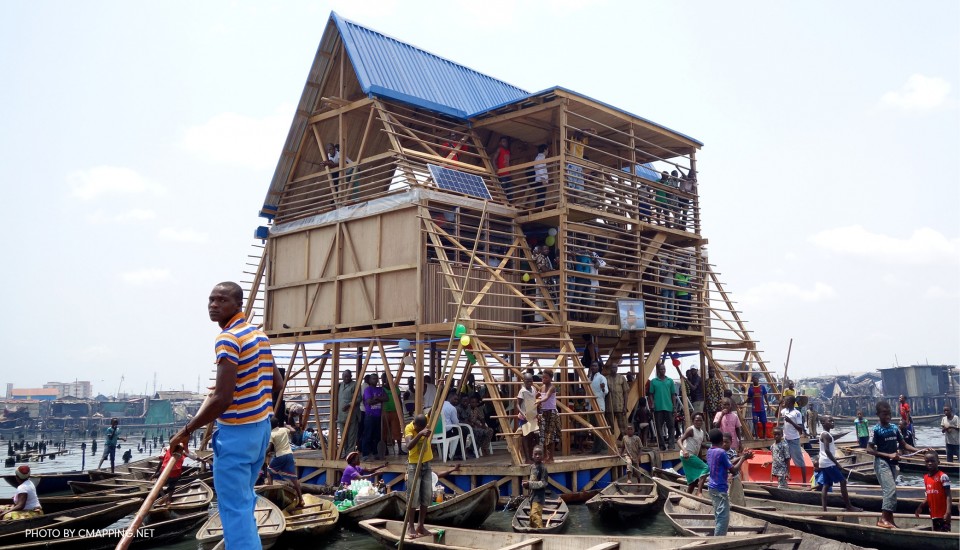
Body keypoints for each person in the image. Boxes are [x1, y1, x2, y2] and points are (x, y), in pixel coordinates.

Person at [168, 281, 281, 550]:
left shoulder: (228, 339)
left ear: (238, 305)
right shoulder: (259, 335)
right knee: (244, 500)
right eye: (211, 300)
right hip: (260, 430)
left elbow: (222, 399)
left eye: (221, 300)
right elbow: (276, 382)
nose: (214, 306)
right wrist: (242, 385)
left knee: (233, 508)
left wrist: (186, 431)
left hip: (237, 434)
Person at [866, 399, 923, 529]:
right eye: (884, 414)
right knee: (889, 490)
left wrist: (920, 451)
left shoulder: (894, 428)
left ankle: (890, 520)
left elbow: (904, 445)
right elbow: (869, 449)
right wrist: (889, 455)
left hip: (893, 463)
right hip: (882, 462)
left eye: (889, 414)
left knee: (892, 491)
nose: (887, 417)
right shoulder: (875, 430)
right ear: (878, 414)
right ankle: (883, 519)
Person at [706, 428, 752, 536]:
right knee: (723, 518)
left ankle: (717, 538)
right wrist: (743, 458)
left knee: (718, 515)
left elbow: (727, 463)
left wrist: (741, 457)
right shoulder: (721, 452)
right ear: (721, 440)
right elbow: (733, 470)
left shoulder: (709, 451)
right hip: (720, 488)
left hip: (712, 487)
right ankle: (719, 542)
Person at [818, 415, 860, 512]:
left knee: (826, 485)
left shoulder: (825, 434)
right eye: (830, 421)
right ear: (823, 423)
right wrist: (836, 463)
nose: (832, 422)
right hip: (828, 463)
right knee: (843, 481)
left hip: (824, 462)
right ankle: (849, 506)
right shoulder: (826, 435)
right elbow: (827, 451)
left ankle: (824, 510)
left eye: (833, 421)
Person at [403, 414, 434, 539]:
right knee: (413, 497)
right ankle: (411, 526)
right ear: (414, 424)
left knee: (426, 496)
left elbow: (434, 410)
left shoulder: (426, 421)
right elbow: (409, 446)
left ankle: (420, 525)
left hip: (426, 464)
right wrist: (420, 434)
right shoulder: (409, 428)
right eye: (417, 427)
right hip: (414, 466)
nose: (416, 428)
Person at [265, 416, 304, 508]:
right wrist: (288, 426)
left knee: (269, 473)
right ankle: (301, 500)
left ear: (270, 426)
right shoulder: (284, 430)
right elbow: (293, 431)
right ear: (278, 424)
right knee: (294, 480)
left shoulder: (272, 434)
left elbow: (270, 447)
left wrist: (263, 454)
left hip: (280, 455)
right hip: (289, 455)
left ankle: (271, 496)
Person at [915, 450, 952, 532]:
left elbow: (948, 495)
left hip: (943, 514)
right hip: (933, 514)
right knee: (936, 531)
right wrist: (920, 506)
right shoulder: (925, 478)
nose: (930, 463)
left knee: (944, 533)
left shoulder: (943, 476)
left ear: (938, 462)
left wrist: (948, 512)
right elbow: (928, 495)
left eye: (932, 461)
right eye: (927, 461)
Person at [678, 412, 709, 495]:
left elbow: (698, 445)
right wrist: (684, 450)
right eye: (696, 420)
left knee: (694, 481)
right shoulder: (691, 429)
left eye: (700, 420)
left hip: (693, 456)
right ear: (693, 421)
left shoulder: (702, 432)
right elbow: (679, 440)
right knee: (706, 468)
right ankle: (699, 492)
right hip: (687, 455)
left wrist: (701, 457)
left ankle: (688, 495)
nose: (698, 422)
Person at [648, 361, 677, 450]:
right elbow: (651, 394)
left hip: (668, 407)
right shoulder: (653, 381)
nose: (662, 370)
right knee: (658, 427)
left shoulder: (670, 381)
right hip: (658, 408)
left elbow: (673, 395)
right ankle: (662, 445)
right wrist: (652, 404)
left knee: (671, 426)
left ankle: (671, 444)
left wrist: (674, 407)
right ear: (658, 370)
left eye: (664, 369)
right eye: (661, 369)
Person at [780, 395, 807, 489]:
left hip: (794, 440)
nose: (784, 403)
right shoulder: (784, 411)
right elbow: (777, 415)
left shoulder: (797, 413)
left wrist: (790, 421)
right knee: (784, 460)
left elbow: (800, 429)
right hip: (785, 440)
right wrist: (779, 405)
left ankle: (804, 482)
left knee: (800, 462)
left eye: (786, 401)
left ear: (791, 403)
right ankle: (784, 480)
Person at [523, 445, 548, 529]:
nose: (537, 456)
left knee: (535, 514)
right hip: (532, 496)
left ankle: (541, 531)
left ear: (543, 456)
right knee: (532, 517)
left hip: (539, 496)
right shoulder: (532, 467)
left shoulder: (543, 468)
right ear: (532, 455)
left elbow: (544, 483)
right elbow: (532, 480)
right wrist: (527, 486)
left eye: (540, 454)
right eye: (536, 454)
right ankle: (533, 530)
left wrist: (529, 484)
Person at [362, 375, 387, 461]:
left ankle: (375, 453)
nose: (375, 380)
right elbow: (369, 402)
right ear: (369, 380)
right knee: (368, 435)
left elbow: (386, 398)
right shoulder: (367, 390)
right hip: (370, 415)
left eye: (376, 379)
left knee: (377, 435)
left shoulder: (380, 389)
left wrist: (377, 398)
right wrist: (380, 399)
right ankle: (365, 454)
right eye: (373, 378)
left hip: (378, 415)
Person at [337, 369, 361, 459]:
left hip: (351, 415)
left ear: (351, 376)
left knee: (351, 436)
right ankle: (345, 452)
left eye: (347, 376)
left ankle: (350, 454)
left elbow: (359, 398)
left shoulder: (355, 385)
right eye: (344, 376)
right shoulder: (340, 385)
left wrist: (349, 405)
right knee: (343, 436)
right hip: (341, 415)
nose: (346, 378)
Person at [537, 369, 559, 463]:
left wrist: (539, 401)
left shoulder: (552, 387)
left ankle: (551, 457)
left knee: (551, 436)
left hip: (552, 413)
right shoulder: (541, 387)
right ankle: (546, 455)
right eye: (543, 377)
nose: (543, 379)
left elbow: (546, 397)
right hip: (544, 413)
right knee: (543, 435)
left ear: (550, 378)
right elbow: (537, 394)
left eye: (546, 377)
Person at [517, 373, 539, 463]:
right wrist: (522, 413)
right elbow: (517, 404)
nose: (529, 383)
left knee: (533, 437)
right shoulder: (522, 391)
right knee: (525, 437)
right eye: (527, 381)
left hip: (533, 417)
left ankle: (531, 456)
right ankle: (527, 458)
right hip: (524, 418)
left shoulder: (533, 389)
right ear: (524, 381)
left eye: (531, 381)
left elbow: (534, 400)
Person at [381, 373, 404, 457]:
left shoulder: (396, 388)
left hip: (395, 412)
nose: (386, 380)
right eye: (385, 378)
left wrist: (400, 411)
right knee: (384, 431)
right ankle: (385, 449)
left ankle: (400, 449)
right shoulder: (381, 389)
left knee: (397, 430)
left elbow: (399, 400)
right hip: (385, 412)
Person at [589, 362, 608, 453]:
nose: (593, 367)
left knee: (600, 427)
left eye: (595, 366)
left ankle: (601, 448)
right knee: (594, 428)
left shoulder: (601, 378)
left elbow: (606, 391)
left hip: (599, 405)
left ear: (598, 368)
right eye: (592, 365)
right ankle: (596, 448)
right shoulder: (589, 378)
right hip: (591, 406)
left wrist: (603, 388)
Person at [607, 364, 630, 439]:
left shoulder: (621, 378)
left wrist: (625, 406)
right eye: (612, 367)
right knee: (610, 427)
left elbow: (626, 392)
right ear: (610, 368)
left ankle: (627, 443)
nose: (614, 369)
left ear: (617, 369)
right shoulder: (606, 378)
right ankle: (612, 445)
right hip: (610, 407)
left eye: (615, 367)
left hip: (620, 406)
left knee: (623, 426)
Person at [658, 257, 676, 328]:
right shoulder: (663, 266)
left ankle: (671, 325)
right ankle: (664, 324)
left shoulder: (673, 267)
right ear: (669, 261)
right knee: (664, 306)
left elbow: (674, 277)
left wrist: (674, 272)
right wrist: (668, 269)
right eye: (671, 261)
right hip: (665, 288)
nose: (672, 262)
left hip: (671, 288)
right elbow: (661, 276)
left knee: (671, 307)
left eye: (673, 261)